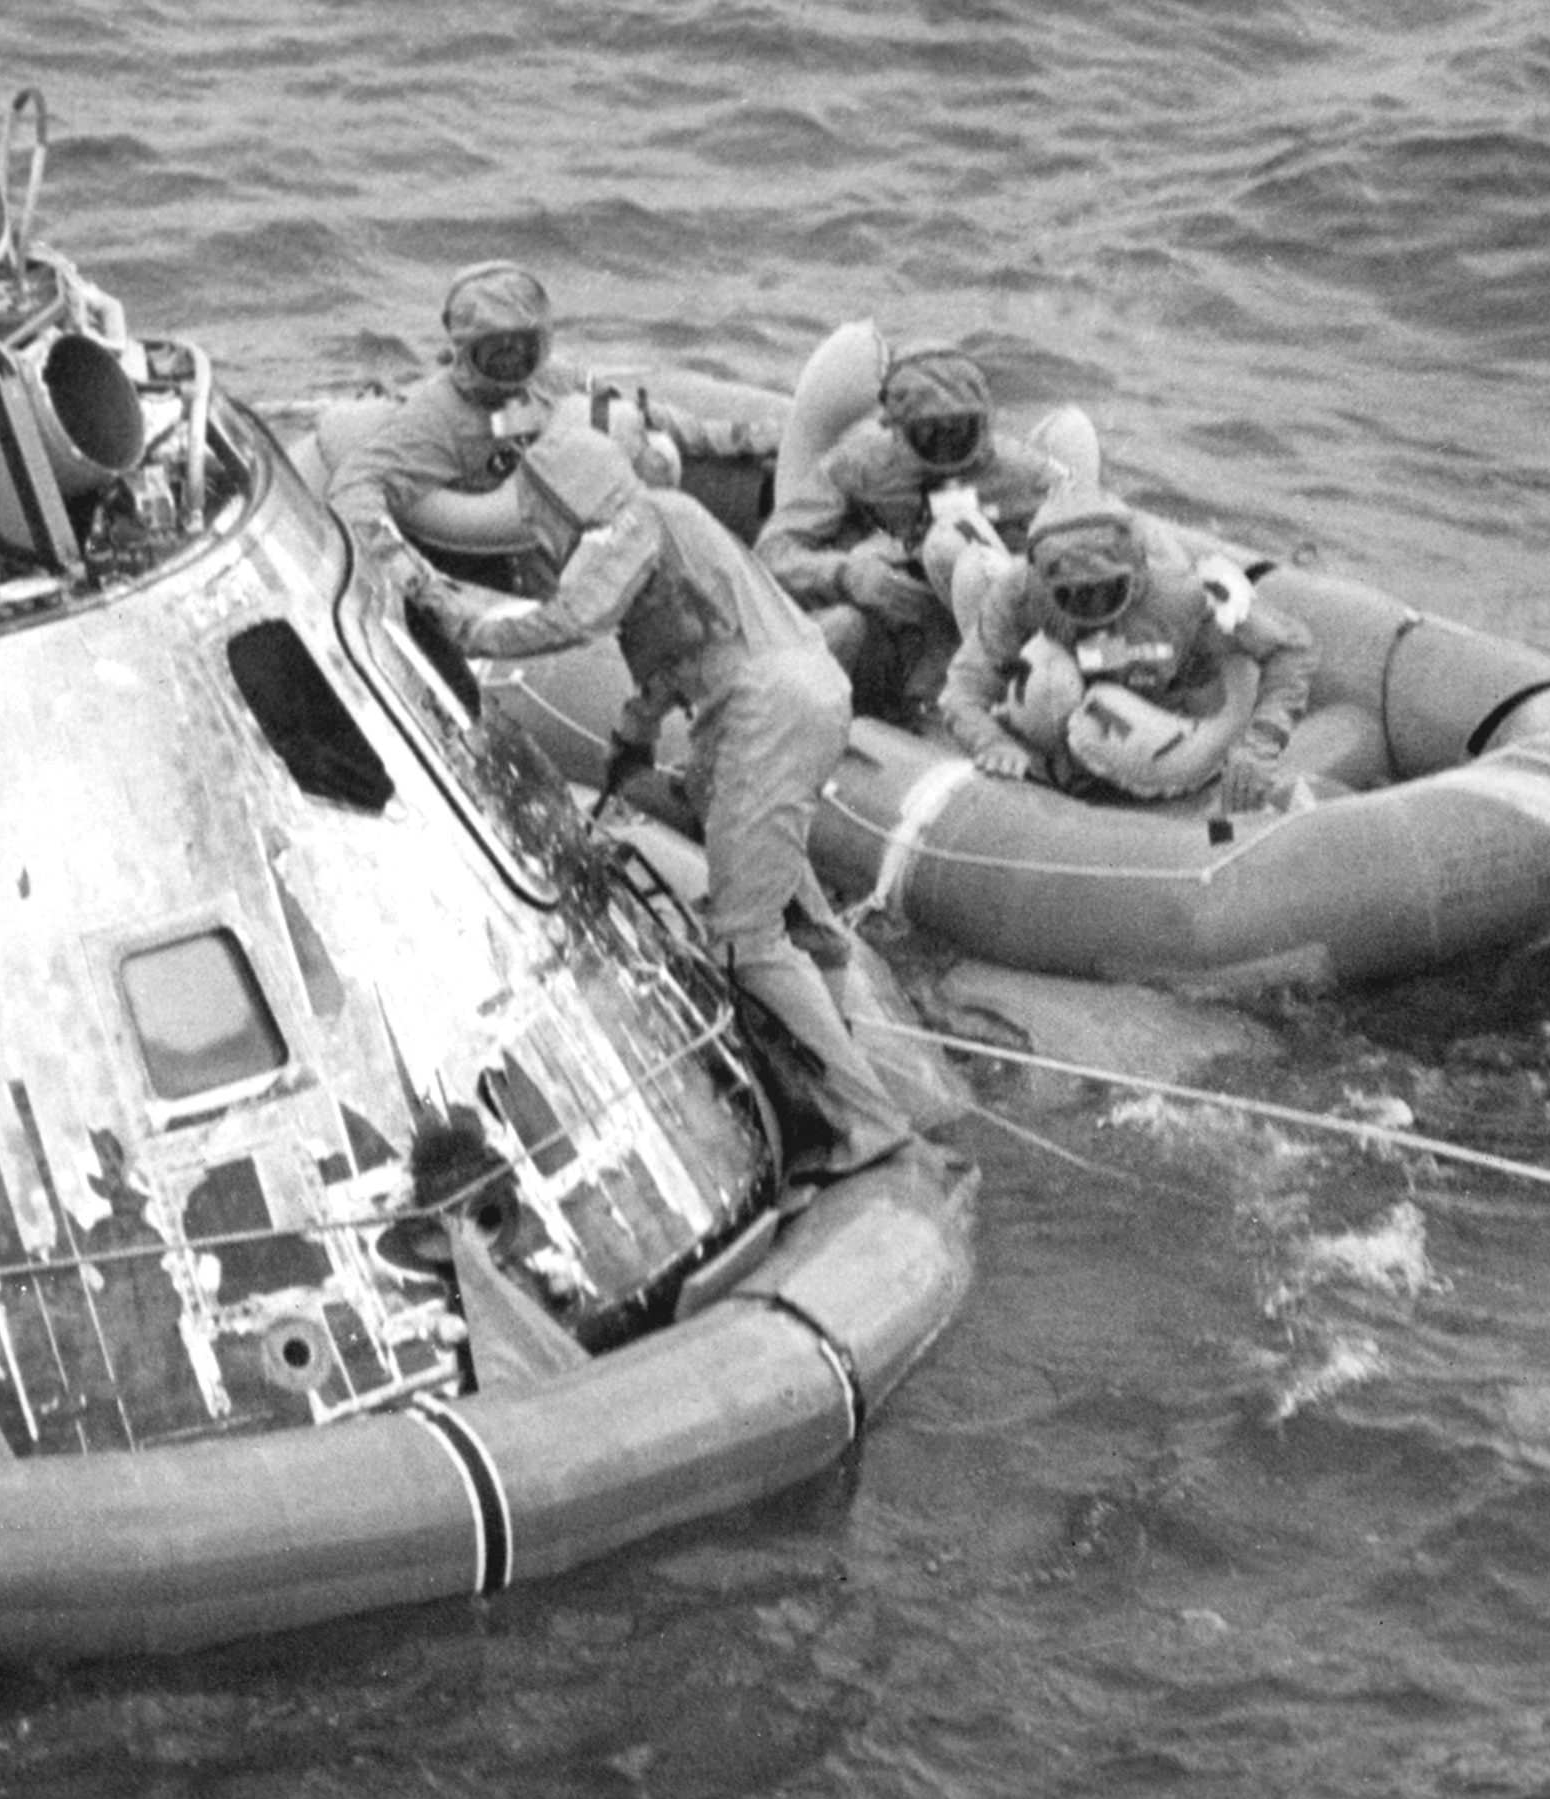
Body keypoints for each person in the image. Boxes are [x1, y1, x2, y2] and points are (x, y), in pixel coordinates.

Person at [421, 423, 914, 1176]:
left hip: (764, 708)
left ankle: (867, 1121)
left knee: (744, 937)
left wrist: (469, 631)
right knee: (785, 901)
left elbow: (573, 619)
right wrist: (632, 732)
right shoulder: (674, 527)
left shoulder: (638, 522)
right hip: (789, 697)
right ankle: (822, 1055)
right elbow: (678, 656)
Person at [325, 261, 780, 574]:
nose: (510, 361)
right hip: (485, 566)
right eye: (494, 349)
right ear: (465, 348)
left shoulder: (554, 381)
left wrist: (734, 438)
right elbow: (356, 486)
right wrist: (404, 570)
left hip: (558, 545)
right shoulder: (436, 418)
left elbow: (642, 413)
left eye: (521, 346)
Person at [937, 482, 1315, 812]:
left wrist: (1260, 743)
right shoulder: (1020, 592)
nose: (1093, 610)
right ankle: (1056, 770)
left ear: (1136, 572)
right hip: (1072, 695)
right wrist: (990, 742)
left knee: (1097, 716)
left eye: (1106, 591)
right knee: (1043, 677)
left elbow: (1291, 647)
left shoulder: (1184, 596)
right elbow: (961, 690)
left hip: (1166, 715)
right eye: (1073, 595)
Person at [756, 345, 1068, 714]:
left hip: (963, 642)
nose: (946, 446)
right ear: (897, 432)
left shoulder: (1025, 477)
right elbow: (772, 552)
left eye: (958, 430)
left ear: (983, 424)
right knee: (842, 626)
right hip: (878, 634)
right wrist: (847, 575)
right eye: (929, 434)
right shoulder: (860, 464)